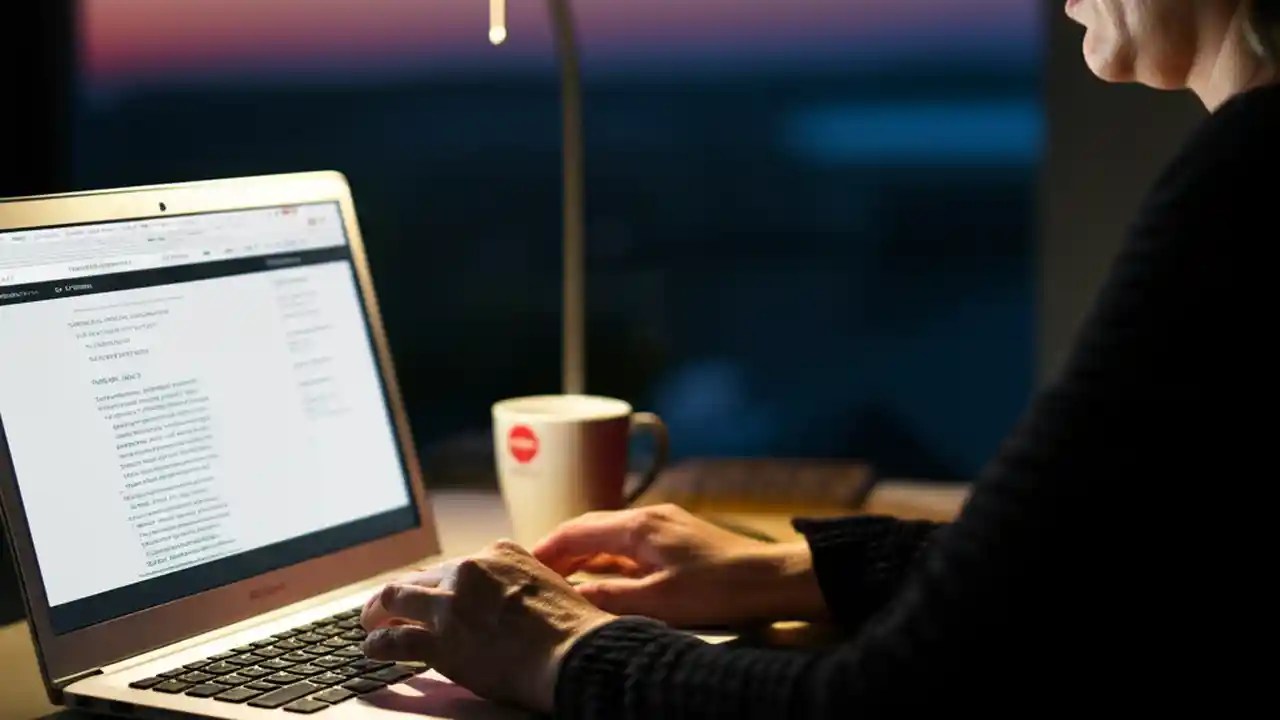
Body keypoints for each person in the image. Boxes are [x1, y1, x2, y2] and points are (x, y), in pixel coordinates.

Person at [360, 1, 1271, 715]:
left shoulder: (1248, 181)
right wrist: (793, 571)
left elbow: (891, 698)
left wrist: (558, 650)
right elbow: (1109, 563)